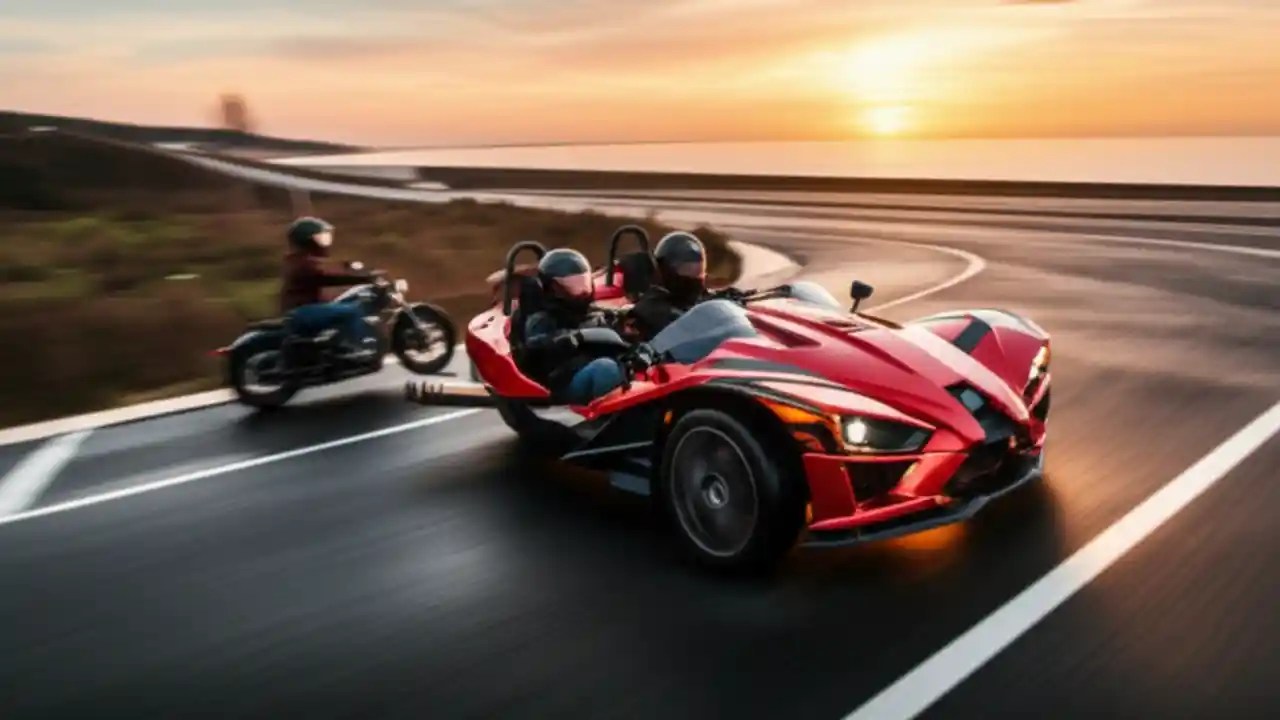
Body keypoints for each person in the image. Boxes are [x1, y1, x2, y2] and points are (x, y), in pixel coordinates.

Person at [519, 248, 628, 405]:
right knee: (605, 369)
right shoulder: (541, 319)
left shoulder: (595, 314)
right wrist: (565, 339)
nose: (582, 293)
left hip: (594, 369)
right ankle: (610, 421)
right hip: (564, 382)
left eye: (582, 283)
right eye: (573, 285)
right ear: (552, 288)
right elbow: (532, 349)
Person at [279, 216, 378, 360]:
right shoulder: (302, 263)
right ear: (307, 240)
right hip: (301, 312)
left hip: (303, 310)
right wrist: (365, 278)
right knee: (353, 310)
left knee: (343, 304)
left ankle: (337, 345)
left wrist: (348, 266)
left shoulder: (302, 259)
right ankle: (354, 348)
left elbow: (328, 269)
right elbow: (326, 276)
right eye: (320, 237)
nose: (325, 241)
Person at [626, 230, 710, 340]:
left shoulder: (703, 299)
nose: (693, 277)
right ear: (665, 270)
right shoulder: (652, 308)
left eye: (698, 270)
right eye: (686, 269)